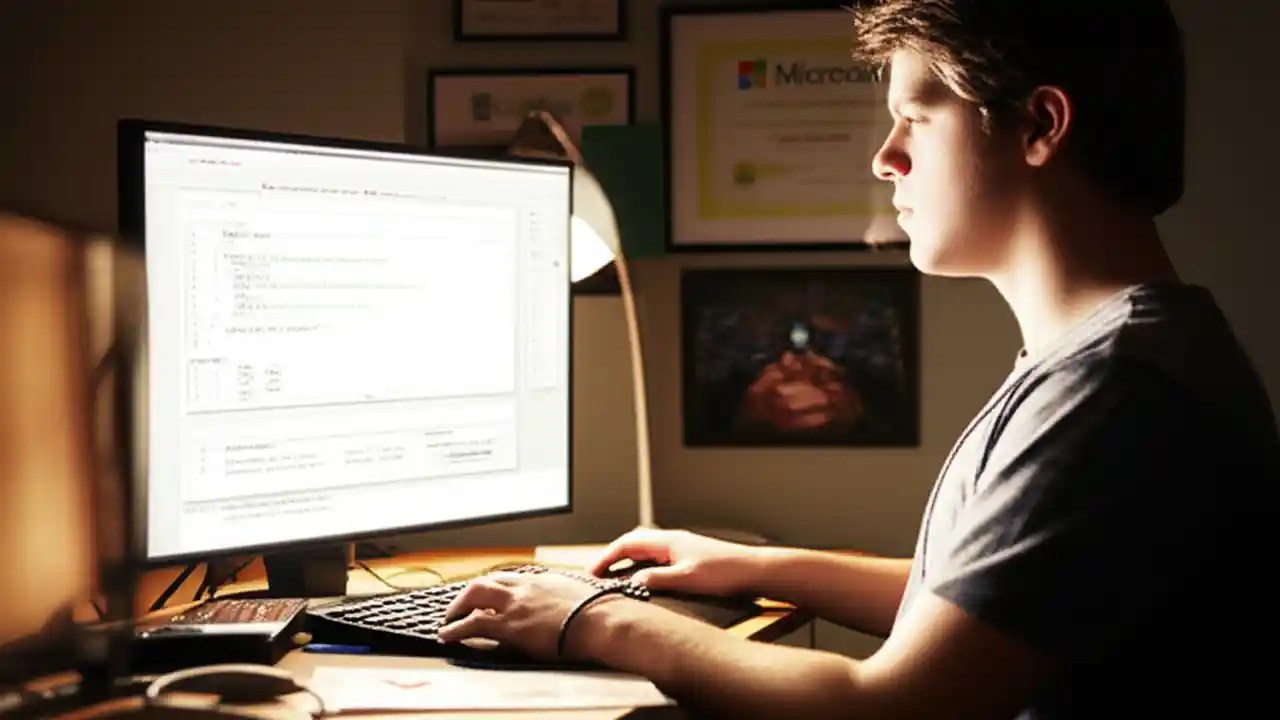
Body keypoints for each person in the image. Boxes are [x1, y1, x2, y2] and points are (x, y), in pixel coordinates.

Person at [439, 0, 1279, 716]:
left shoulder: (1111, 389)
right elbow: (992, 600)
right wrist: (761, 567)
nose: (886, 157)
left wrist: (595, 619)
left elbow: (892, 705)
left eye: (915, 118)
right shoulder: (1130, 350)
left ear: (1039, 125)